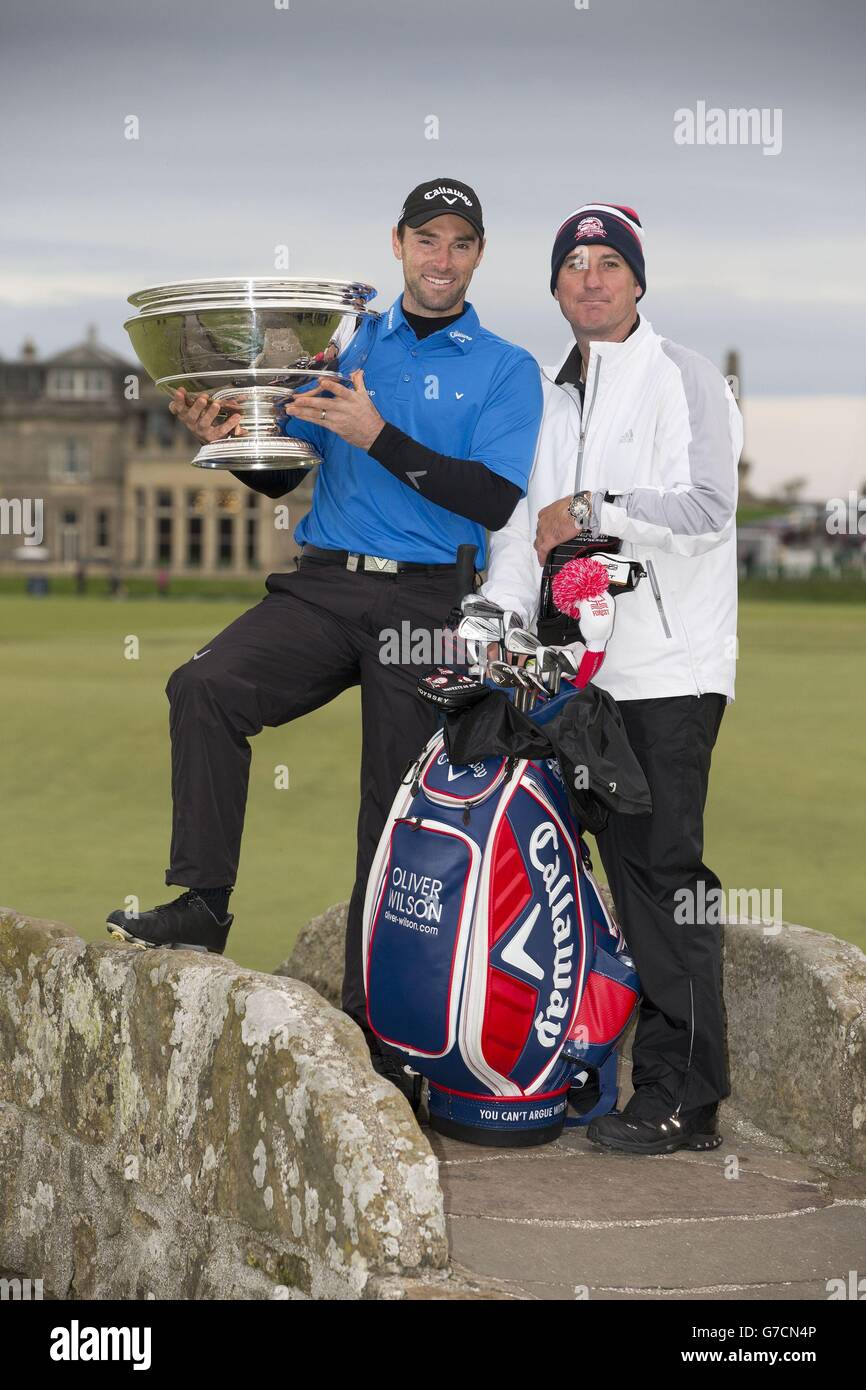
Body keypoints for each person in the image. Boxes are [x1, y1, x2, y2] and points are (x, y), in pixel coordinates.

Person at [106, 178, 544, 1069]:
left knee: (389, 813)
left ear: (479, 256)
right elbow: (280, 473)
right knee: (205, 685)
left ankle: (379, 1038)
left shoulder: (506, 366)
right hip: (323, 584)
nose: (441, 258)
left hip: (429, 599)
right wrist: (229, 433)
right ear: (398, 244)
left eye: (460, 243)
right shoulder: (340, 341)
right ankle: (201, 903)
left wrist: (378, 432)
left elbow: (496, 499)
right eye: (427, 239)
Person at [481, 203, 742, 1154]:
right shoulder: (552, 397)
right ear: (556, 287)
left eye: (608, 263)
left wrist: (600, 506)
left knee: (663, 877)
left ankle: (683, 1099)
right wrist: (498, 620)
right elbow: (523, 529)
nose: (591, 278)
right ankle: (584, 1068)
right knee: (575, 879)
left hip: (667, 673)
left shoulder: (686, 377)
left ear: (637, 281)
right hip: (568, 679)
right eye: (573, 265)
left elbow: (710, 507)